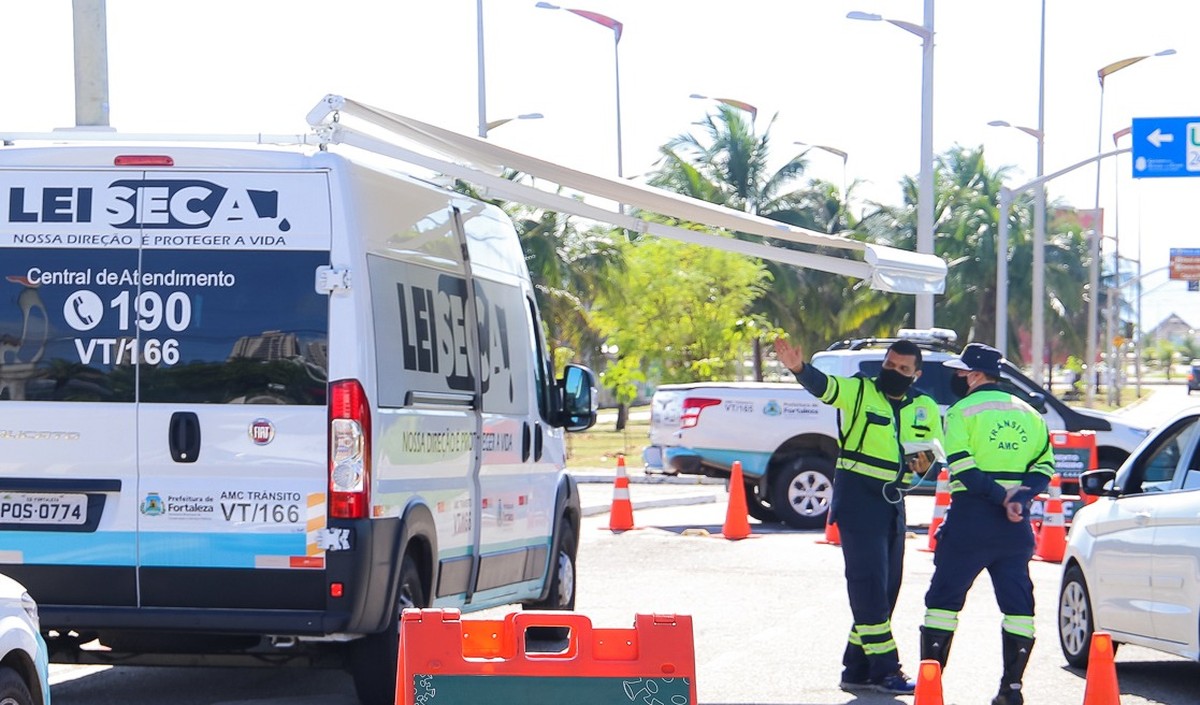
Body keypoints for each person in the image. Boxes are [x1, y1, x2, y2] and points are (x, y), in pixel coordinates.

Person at [775, 336, 943, 695]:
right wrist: (799, 369)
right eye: (889, 365)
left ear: (916, 373)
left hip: (893, 502)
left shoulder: (924, 406)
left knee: (887, 589)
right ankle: (886, 669)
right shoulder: (859, 391)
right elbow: (825, 387)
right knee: (868, 588)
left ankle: (856, 667)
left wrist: (913, 473)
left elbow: (928, 452)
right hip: (858, 501)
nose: (893, 372)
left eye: (902, 369)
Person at [919, 343, 1055, 705]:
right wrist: (1019, 499)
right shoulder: (1031, 415)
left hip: (971, 521)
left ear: (975, 375)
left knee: (943, 603)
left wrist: (1000, 497)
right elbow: (1044, 468)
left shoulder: (963, 411)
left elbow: (962, 467)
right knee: (1019, 609)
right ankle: (1011, 689)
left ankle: (930, 689)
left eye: (962, 372)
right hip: (1016, 529)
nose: (958, 378)